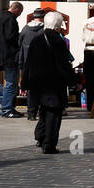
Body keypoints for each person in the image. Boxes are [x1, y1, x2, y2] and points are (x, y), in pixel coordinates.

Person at [21, 11, 77, 154]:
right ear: (58, 26)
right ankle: (49, 143)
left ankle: (40, 137)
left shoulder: (36, 39)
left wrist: (24, 83)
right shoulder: (58, 41)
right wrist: (73, 81)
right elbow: (65, 64)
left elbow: (28, 63)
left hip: (37, 82)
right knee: (54, 113)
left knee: (43, 110)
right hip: (53, 82)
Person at [0, 2, 24, 118]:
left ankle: (9, 108)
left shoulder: (0, 17)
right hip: (9, 56)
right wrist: (19, 39)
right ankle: (7, 109)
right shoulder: (11, 19)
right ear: (16, 9)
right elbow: (10, 37)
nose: (19, 15)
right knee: (11, 83)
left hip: (0, 55)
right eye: (20, 12)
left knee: (10, 83)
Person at [17, 9, 46, 121]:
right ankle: (42, 112)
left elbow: (20, 46)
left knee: (31, 90)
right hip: (42, 63)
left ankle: (31, 113)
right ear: (43, 17)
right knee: (43, 89)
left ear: (33, 17)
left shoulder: (25, 29)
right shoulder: (44, 30)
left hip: (27, 63)